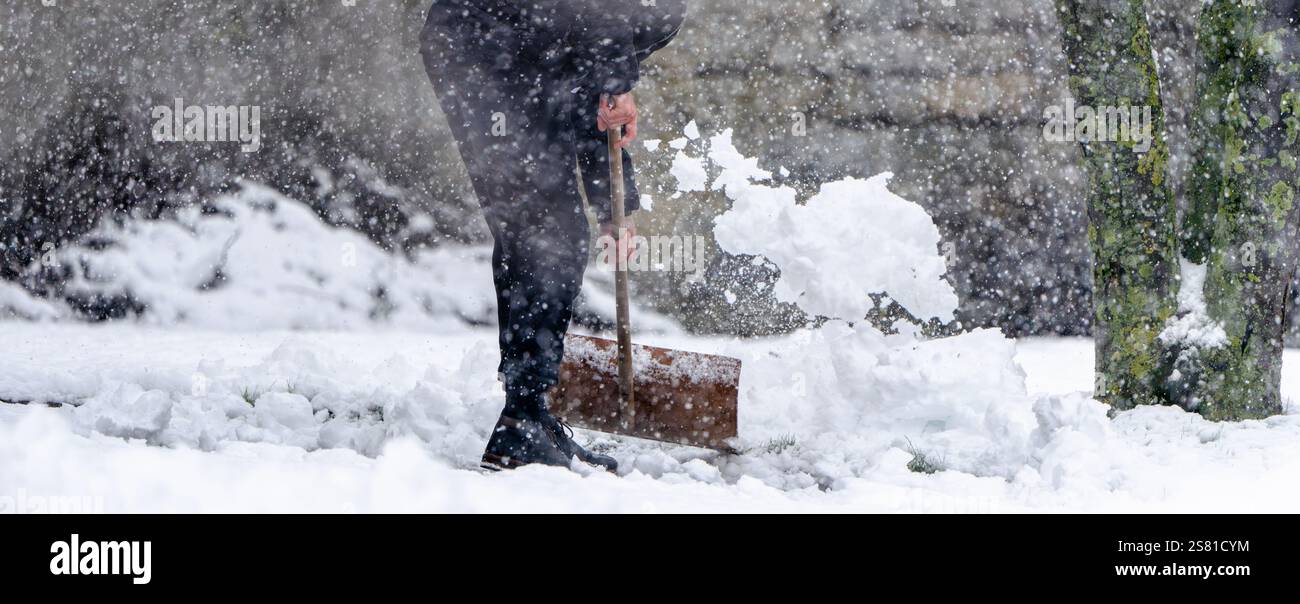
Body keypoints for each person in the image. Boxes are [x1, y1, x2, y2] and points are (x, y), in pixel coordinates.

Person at [419, 0, 687, 472]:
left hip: (518, 50)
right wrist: (617, 84)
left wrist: (613, 207)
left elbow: (586, 91)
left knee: (540, 231)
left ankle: (530, 415)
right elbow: (597, 27)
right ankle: (521, 420)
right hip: (490, 48)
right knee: (544, 231)